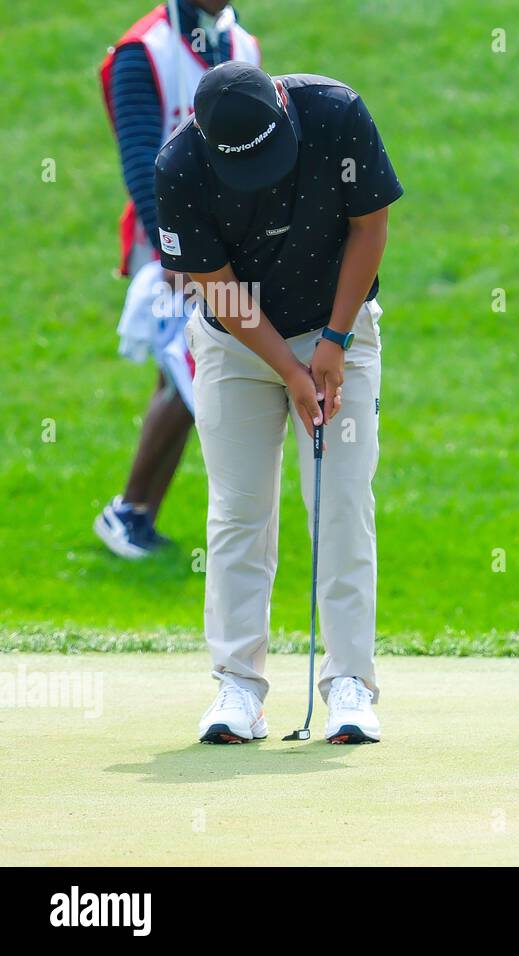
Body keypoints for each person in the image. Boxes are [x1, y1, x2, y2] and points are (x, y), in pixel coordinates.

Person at [155, 62, 402, 744]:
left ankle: (349, 685)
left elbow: (370, 228)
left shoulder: (336, 114)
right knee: (239, 511)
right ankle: (238, 689)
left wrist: (333, 341)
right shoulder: (179, 168)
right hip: (238, 345)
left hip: (339, 326)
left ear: (284, 111)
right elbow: (216, 285)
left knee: (342, 501)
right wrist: (291, 369)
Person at [95, 0, 261, 558]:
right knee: (192, 373)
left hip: (224, 244)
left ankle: (135, 513)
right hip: (168, 250)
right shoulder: (143, 51)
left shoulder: (242, 45)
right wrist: (175, 252)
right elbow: (141, 157)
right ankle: (129, 511)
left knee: (187, 375)